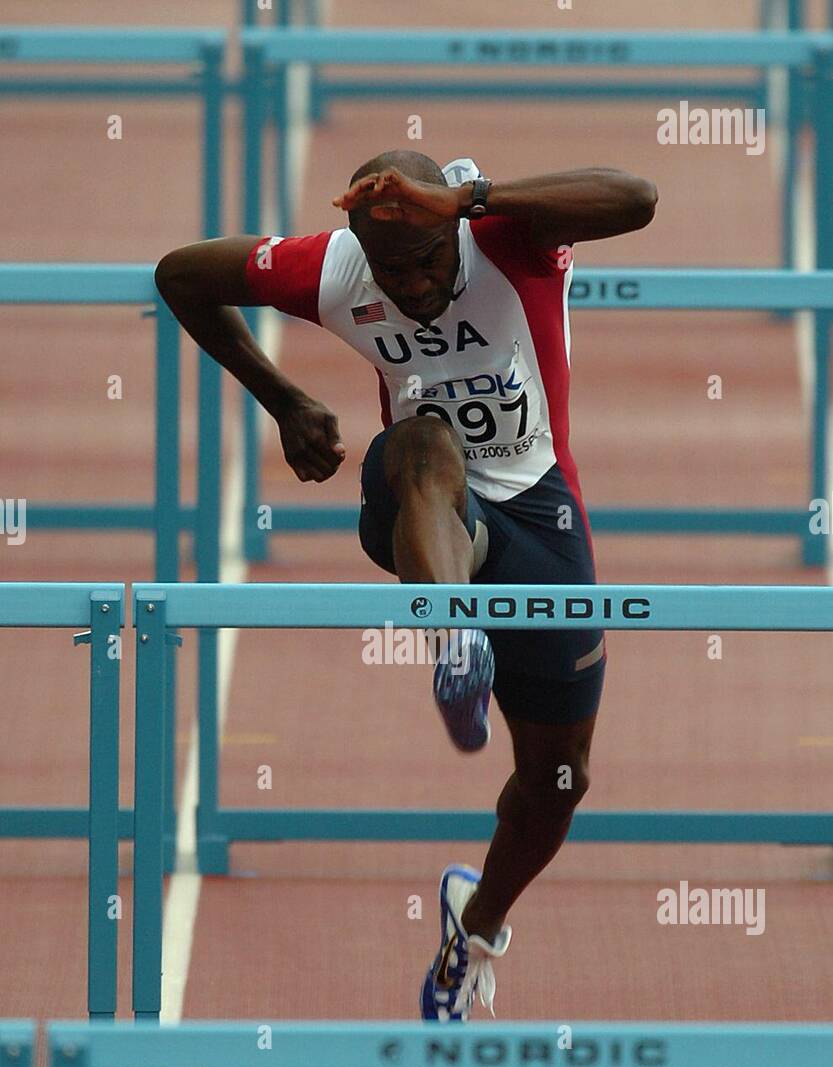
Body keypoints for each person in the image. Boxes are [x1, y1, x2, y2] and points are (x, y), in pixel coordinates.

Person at [155, 150, 657, 1022]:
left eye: (427, 262)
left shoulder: (509, 237)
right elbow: (180, 276)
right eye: (391, 271)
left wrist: (467, 199)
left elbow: (637, 198)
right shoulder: (335, 269)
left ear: (453, 229)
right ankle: (455, 640)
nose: (413, 286)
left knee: (558, 779)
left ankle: (477, 922)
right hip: (421, 510)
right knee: (423, 441)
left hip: (538, 514)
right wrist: (282, 400)